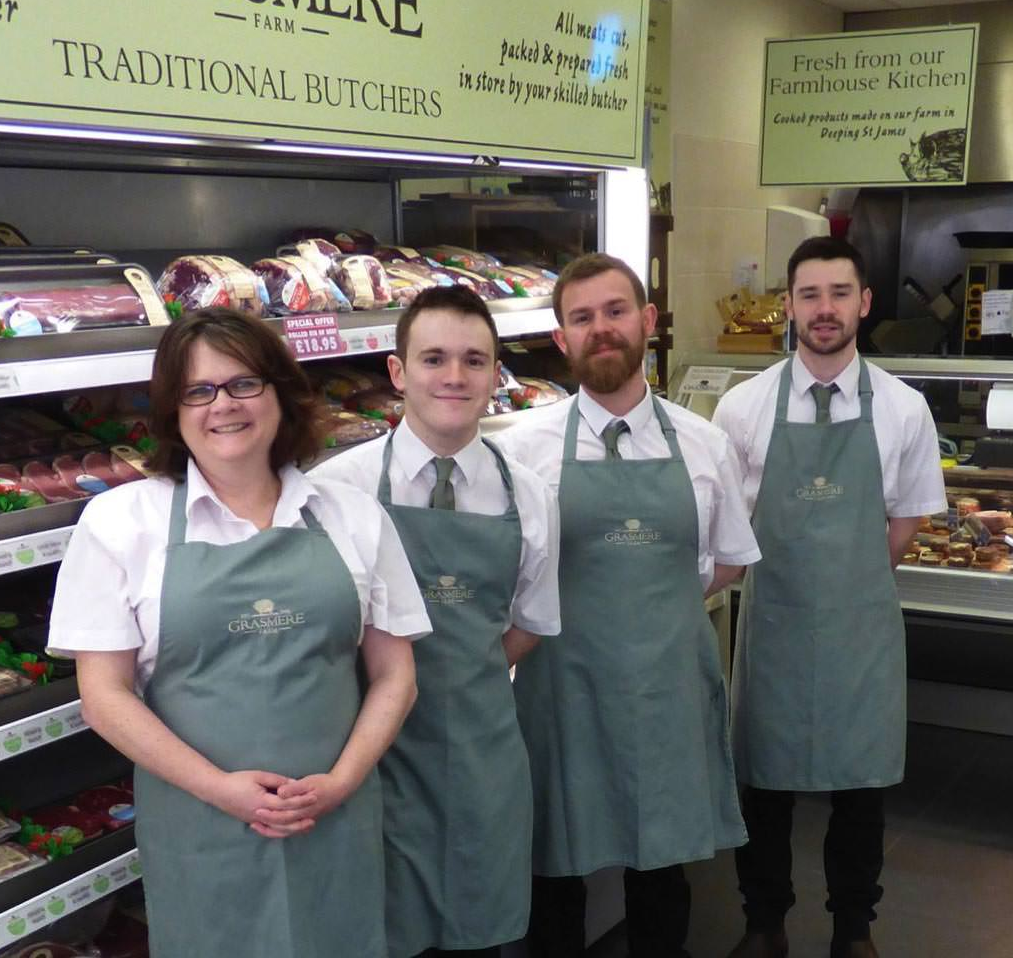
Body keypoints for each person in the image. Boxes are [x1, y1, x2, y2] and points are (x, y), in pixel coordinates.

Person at [48, 308, 429, 958]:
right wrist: (219, 788)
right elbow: (103, 696)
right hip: (200, 827)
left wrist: (342, 779)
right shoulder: (120, 523)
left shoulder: (351, 517)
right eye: (199, 390)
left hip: (335, 820)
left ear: (281, 391)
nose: (223, 405)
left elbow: (396, 675)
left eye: (244, 384)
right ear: (173, 410)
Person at [494, 253, 760, 958]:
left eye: (615, 312)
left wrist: (651, 610)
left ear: (646, 322)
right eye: (581, 318)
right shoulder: (523, 452)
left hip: (664, 686)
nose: (600, 329)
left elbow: (728, 560)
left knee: (661, 869)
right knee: (557, 867)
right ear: (561, 340)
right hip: (560, 686)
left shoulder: (705, 443)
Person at [712, 237, 947, 958]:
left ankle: (853, 927)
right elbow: (726, 523)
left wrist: (846, 582)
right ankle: (764, 922)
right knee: (767, 787)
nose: (823, 309)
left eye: (838, 293)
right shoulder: (742, 408)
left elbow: (905, 522)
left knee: (860, 787)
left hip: (860, 628)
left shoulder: (905, 409)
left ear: (864, 303)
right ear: (788, 305)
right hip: (774, 624)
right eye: (808, 295)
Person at [315, 286, 560, 958]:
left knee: (477, 935)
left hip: (482, 753)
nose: (455, 377)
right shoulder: (338, 489)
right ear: (398, 373)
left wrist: (467, 672)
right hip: (368, 758)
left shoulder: (531, 496)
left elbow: (531, 623)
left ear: (495, 375)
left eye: (475, 361)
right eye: (433, 358)